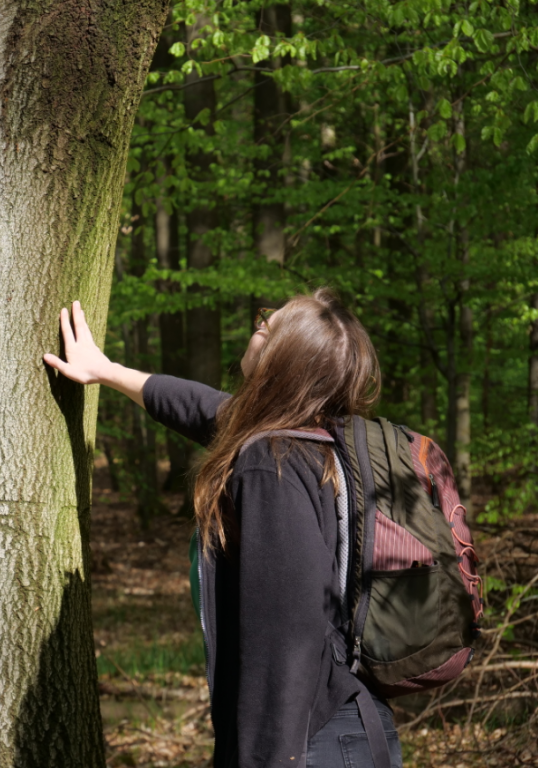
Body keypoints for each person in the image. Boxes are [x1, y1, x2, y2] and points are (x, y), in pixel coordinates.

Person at [43, 288, 402, 768]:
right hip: (344, 728)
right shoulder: (324, 442)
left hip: (305, 741)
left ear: (286, 359)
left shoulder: (270, 464)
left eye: (269, 325)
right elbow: (198, 407)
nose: (262, 321)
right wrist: (104, 370)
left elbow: (284, 640)